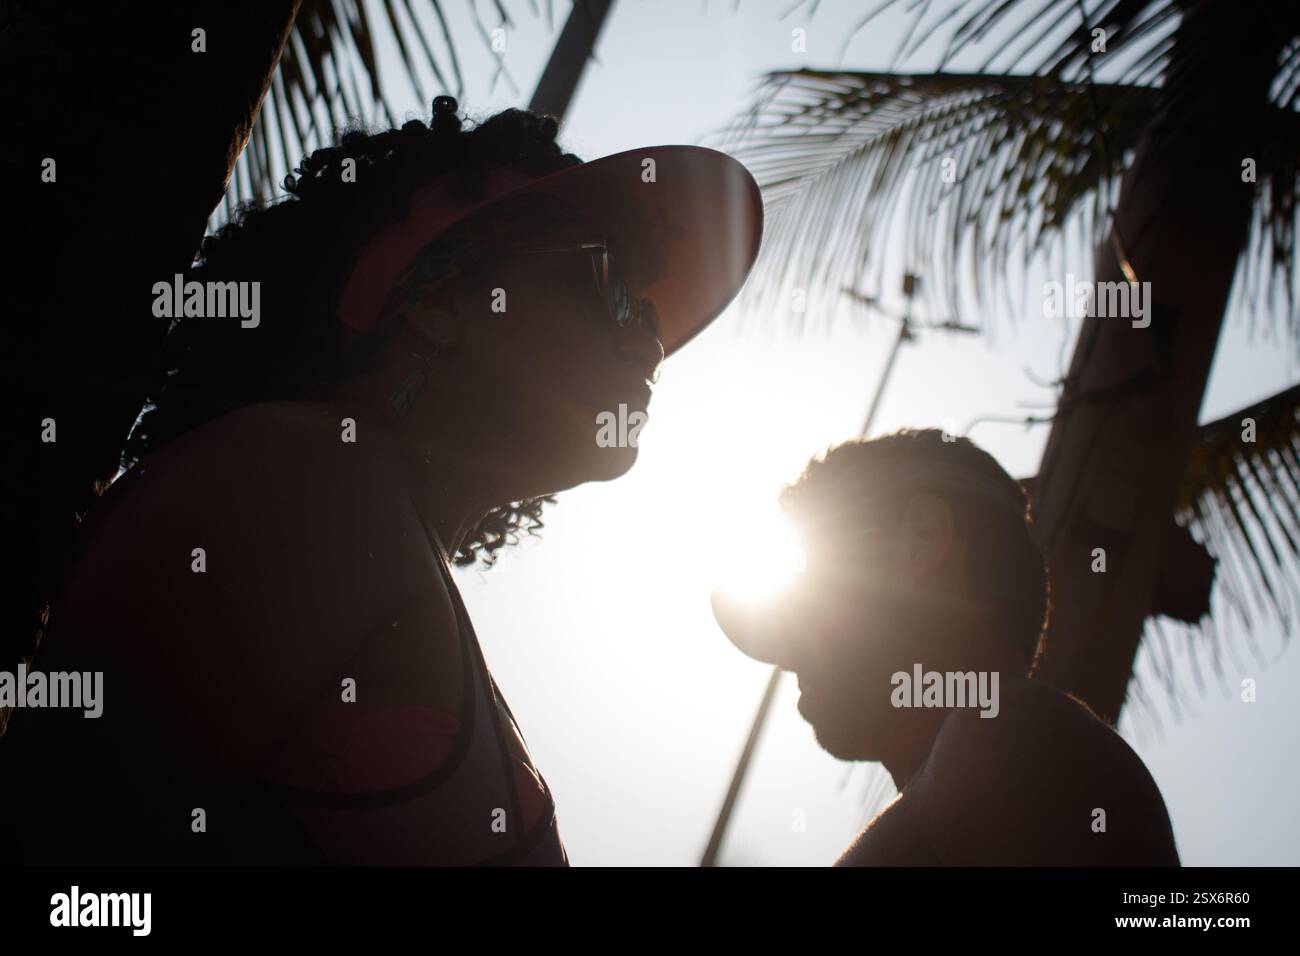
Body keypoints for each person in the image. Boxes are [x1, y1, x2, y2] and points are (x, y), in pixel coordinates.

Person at [0, 97, 762, 864]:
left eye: (649, 315)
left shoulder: (364, 518)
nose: (648, 345)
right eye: (604, 281)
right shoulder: (305, 482)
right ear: (435, 302)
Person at [711, 429, 1181, 866]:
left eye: (809, 573)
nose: (790, 657)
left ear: (923, 539)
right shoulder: (987, 760)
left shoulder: (1003, 741)